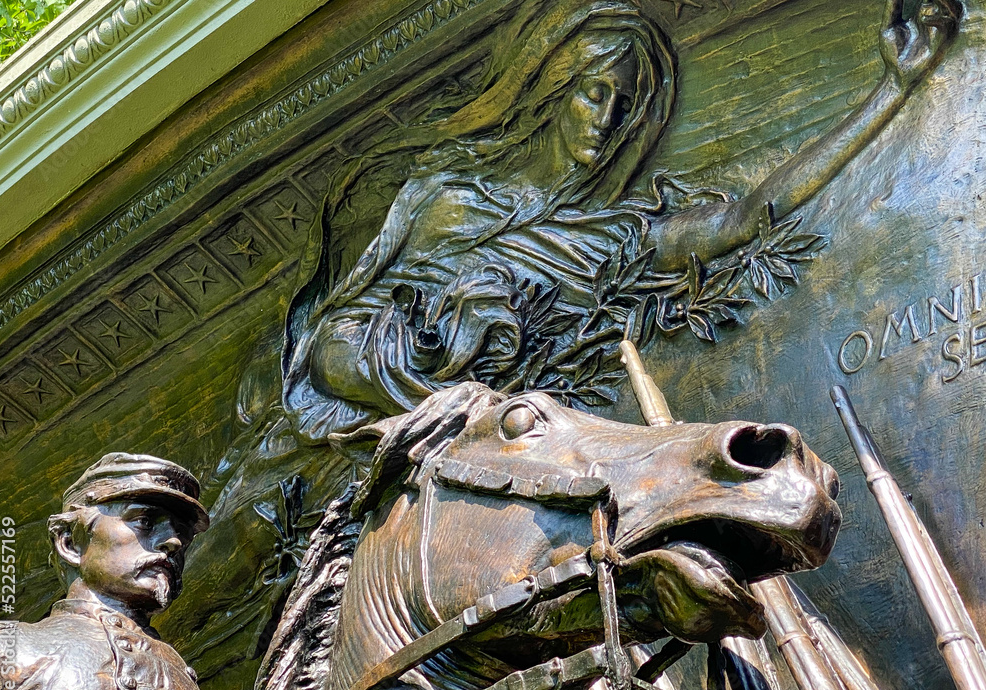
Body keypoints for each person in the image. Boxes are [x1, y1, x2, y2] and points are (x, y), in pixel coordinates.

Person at [280, 0, 960, 444]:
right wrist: (436, 390)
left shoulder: (617, 239)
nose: (606, 121)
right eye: (593, 93)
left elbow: (749, 215)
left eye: (623, 104)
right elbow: (331, 346)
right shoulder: (452, 201)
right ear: (554, 93)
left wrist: (891, 91)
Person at [0, 453, 230, 690]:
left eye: (182, 533)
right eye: (145, 521)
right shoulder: (3, 652)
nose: (174, 542)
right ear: (70, 543)